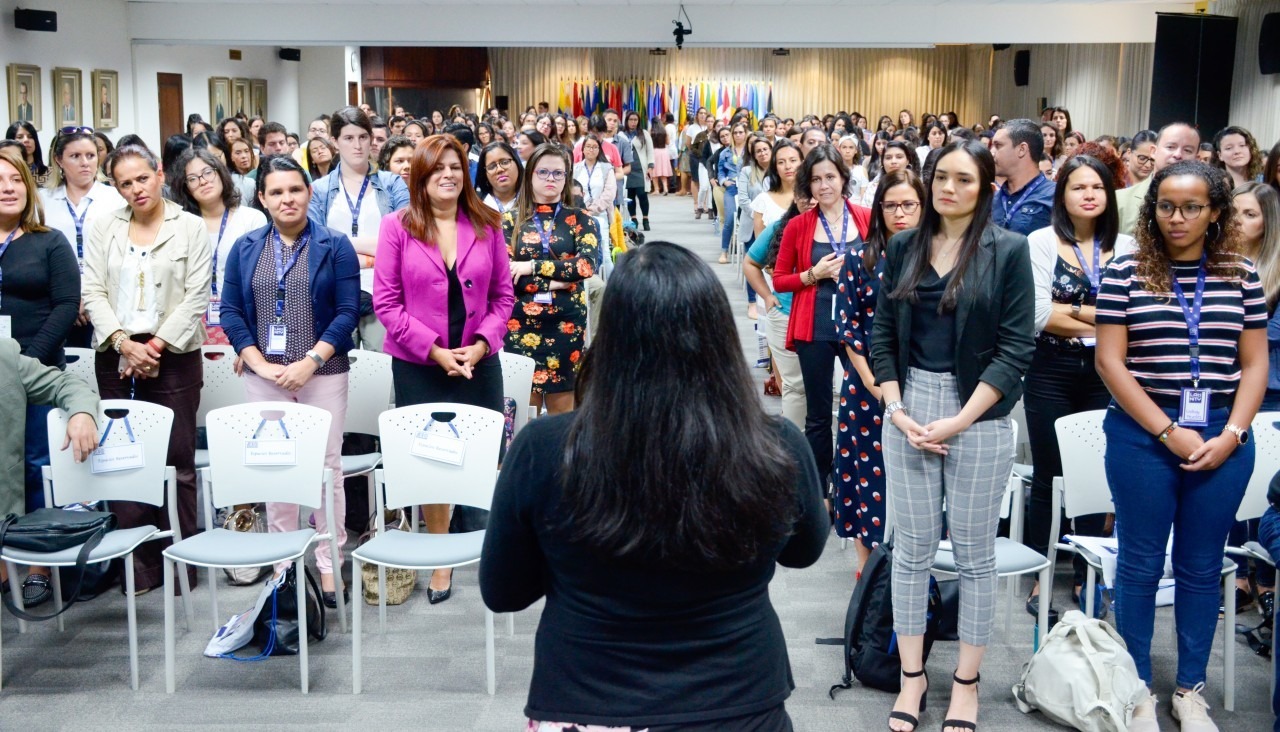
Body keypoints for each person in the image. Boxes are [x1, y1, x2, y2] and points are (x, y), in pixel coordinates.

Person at [480, 241, 826, 730]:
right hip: (739, 698)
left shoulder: (544, 447)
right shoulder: (775, 443)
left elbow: (504, 591)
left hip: (590, 700)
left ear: (611, 335)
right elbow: (803, 551)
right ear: (717, 334)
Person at [1095, 160, 1266, 732]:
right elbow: (1110, 362)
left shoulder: (1243, 275)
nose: (1177, 218)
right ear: (1152, 210)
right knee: (1140, 563)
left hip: (1224, 433)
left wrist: (1233, 434)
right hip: (1143, 435)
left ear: (1215, 212)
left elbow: (1255, 363)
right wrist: (1168, 431)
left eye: (1192, 207)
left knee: (1199, 567)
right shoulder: (1125, 273)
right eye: (1166, 206)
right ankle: (1137, 685)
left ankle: (1191, 690)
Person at [870, 139, 1035, 732]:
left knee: (973, 558)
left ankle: (966, 683)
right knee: (911, 554)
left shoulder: (1008, 250)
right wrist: (896, 408)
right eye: (941, 177)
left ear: (986, 186)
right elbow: (882, 335)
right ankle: (912, 678)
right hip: (910, 407)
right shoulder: (904, 244)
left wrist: (962, 419)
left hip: (981, 415)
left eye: (965, 179)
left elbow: (1018, 348)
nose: (949, 189)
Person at [374, 135, 513, 603]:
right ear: (421, 177)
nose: (448, 175)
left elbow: (502, 297)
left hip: (477, 360)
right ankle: (439, 558)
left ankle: (485, 541)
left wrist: (479, 345)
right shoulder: (397, 226)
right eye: (437, 169)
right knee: (432, 460)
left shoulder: (488, 224)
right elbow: (386, 303)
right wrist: (434, 350)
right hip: (419, 363)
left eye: (455, 167)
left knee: (484, 454)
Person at [218, 154, 359, 608]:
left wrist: (311, 361)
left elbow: (347, 313)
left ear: (309, 192)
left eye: (294, 189)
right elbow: (232, 312)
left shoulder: (335, 245)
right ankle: (283, 567)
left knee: (325, 470)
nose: (287, 199)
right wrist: (256, 361)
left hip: (322, 372)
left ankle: (328, 564)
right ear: (262, 198)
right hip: (266, 375)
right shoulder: (245, 247)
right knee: (277, 471)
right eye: (276, 192)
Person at [81, 144, 211, 593]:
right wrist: (123, 344)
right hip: (114, 353)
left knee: (177, 464)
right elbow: (92, 291)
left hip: (172, 354)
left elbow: (196, 296)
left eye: (142, 178)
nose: (136, 189)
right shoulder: (103, 227)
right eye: (124, 183)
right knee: (123, 461)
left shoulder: (190, 227)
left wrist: (152, 345)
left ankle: (181, 566)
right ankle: (138, 569)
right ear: (115, 188)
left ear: (159, 174)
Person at [1022, 155, 1137, 621]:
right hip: (1050, 367)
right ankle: (1039, 575)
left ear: (1109, 196)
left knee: (1095, 474)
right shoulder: (1042, 241)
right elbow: (1036, 316)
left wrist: (1076, 312)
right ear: (1062, 195)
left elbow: (1133, 316)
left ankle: (1088, 574)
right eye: (1077, 187)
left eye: (1097, 187)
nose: (1088, 194)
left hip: (1109, 372)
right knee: (1050, 474)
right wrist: (1101, 314)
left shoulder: (1127, 245)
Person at [0, 146, 83, 605]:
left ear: (28, 188)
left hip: (37, 370)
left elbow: (67, 305)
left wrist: (21, 362)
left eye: (14, 180)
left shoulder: (49, 241)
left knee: (34, 469)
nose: (7, 189)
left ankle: (36, 565)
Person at [834, 168, 924, 566]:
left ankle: (914, 566)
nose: (899, 213)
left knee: (913, 479)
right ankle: (866, 571)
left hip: (920, 383)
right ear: (879, 209)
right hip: (866, 384)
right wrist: (875, 385)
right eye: (891, 205)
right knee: (864, 473)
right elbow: (848, 328)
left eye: (908, 204)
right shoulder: (859, 258)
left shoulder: (933, 259)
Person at [774, 143, 873, 498]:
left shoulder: (865, 217)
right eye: (816, 179)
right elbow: (780, 279)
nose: (824, 185)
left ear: (844, 178)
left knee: (861, 406)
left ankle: (857, 483)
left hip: (857, 327)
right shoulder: (799, 225)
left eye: (830, 176)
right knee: (818, 415)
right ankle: (819, 492)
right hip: (814, 327)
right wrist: (812, 275)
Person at [503, 142, 598, 412]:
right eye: (543, 172)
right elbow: (505, 274)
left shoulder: (581, 219)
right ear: (530, 174)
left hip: (566, 325)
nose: (550, 179)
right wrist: (560, 281)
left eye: (558, 173)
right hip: (519, 325)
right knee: (523, 414)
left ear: (566, 178)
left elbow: (585, 267)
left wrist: (531, 266)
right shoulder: (509, 221)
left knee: (563, 416)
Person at [308, 106, 410, 353]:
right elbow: (315, 244)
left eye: (363, 137)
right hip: (335, 293)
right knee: (338, 374)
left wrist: (341, 244)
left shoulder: (392, 183)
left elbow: (405, 238)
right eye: (349, 138)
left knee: (384, 376)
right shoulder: (320, 189)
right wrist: (375, 251)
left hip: (385, 293)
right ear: (335, 141)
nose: (358, 145)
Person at [169, 148, 268, 346]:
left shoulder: (251, 219)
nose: (203, 181)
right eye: (193, 178)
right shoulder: (179, 225)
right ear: (186, 187)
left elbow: (259, 280)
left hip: (242, 319)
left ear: (220, 173)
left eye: (207, 172)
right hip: (191, 324)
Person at [39, 128, 126, 349]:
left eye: (90, 155)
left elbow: (121, 253)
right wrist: (69, 300)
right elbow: (37, 254)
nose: (85, 162)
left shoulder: (115, 199)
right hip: (54, 302)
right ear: (59, 160)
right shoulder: (42, 201)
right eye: (75, 156)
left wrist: (89, 298)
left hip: (107, 302)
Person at [1117, 122, 1200, 236]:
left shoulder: (1203, 202)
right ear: (1153, 151)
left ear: (1196, 158)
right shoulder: (1120, 200)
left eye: (1187, 150)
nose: (1178, 154)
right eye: (1170, 147)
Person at [990, 118, 1054, 236]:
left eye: (998, 146)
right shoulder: (992, 199)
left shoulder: (1055, 196)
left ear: (1022, 149)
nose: (992, 152)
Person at [572, 134, 615, 270]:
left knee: (605, 253)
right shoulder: (576, 168)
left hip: (600, 214)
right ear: (582, 149)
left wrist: (593, 209)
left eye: (595, 147)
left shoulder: (606, 168)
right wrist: (583, 210)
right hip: (579, 214)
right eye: (588, 146)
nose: (591, 150)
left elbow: (609, 193)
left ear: (599, 150)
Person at [715, 122, 748, 264]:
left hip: (748, 188)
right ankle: (724, 251)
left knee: (750, 219)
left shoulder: (750, 150)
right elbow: (720, 171)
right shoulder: (725, 152)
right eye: (735, 133)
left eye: (741, 132)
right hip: (732, 188)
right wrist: (723, 181)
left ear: (746, 133)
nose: (738, 135)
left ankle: (750, 252)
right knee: (729, 219)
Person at [622, 111, 652, 231]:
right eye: (631, 120)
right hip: (626, 169)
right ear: (626, 121)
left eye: (635, 120)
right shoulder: (621, 134)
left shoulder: (643, 134)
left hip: (640, 169)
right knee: (630, 196)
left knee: (642, 195)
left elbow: (650, 150)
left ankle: (645, 219)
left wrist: (650, 166)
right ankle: (633, 219)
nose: (633, 122)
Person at [476, 141, 522, 217]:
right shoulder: (478, 206)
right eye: (492, 167)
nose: (499, 169)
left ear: (517, 162)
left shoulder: (533, 198)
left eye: (505, 162)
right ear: (485, 173)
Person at [4, 123, 48, 187]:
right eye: (20, 137)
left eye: (30, 137)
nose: (26, 140)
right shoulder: (5, 172)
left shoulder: (50, 173)